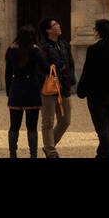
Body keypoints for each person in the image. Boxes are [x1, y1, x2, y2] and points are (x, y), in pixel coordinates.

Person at [76, 18, 109, 158]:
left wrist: (81, 90)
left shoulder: (93, 49)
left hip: (97, 95)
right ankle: (101, 154)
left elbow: (88, 72)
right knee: (106, 125)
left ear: (97, 33)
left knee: (101, 128)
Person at [4, 24, 47, 158]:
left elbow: (7, 74)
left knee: (14, 126)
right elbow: (45, 68)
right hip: (32, 90)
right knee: (32, 127)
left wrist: (8, 91)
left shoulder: (11, 50)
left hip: (16, 88)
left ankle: (12, 154)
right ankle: (33, 155)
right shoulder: (34, 51)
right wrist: (56, 65)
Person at [36, 17, 75, 157]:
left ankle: (48, 146)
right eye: (55, 25)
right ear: (48, 30)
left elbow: (70, 64)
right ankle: (51, 151)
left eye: (58, 23)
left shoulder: (64, 45)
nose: (58, 26)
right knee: (48, 122)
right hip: (48, 89)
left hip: (63, 87)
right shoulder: (42, 47)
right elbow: (41, 68)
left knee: (65, 121)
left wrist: (70, 79)